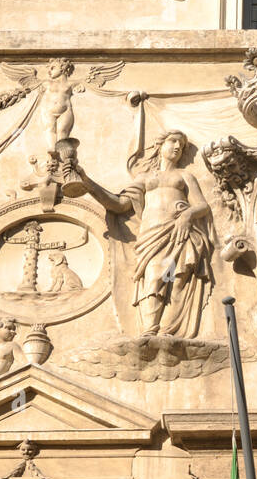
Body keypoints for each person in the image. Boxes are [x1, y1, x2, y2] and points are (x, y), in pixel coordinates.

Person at [92, 130, 214, 337]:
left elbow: (202, 205)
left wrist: (187, 216)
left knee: (176, 277)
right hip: (153, 235)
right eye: (173, 141)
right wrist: (87, 183)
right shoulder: (144, 178)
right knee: (155, 275)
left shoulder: (184, 176)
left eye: (182, 146)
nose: (177, 147)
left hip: (179, 232)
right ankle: (150, 330)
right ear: (160, 145)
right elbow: (120, 204)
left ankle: (169, 330)